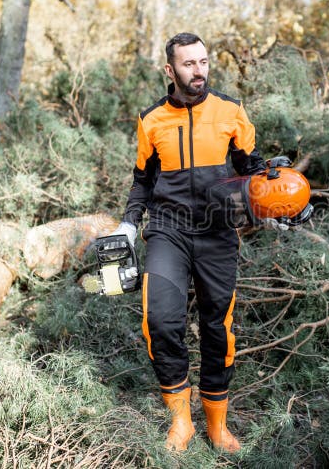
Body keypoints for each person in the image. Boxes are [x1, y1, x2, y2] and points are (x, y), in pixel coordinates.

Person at [109, 32, 271, 453]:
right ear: (170, 69)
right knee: (161, 320)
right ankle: (181, 420)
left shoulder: (231, 110)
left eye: (203, 62)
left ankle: (217, 423)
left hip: (219, 231)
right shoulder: (151, 120)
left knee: (219, 327)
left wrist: (278, 200)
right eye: (189, 64)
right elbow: (142, 179)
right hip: (168, 229)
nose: (198, 71)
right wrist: (129, 223)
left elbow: (252, 169)